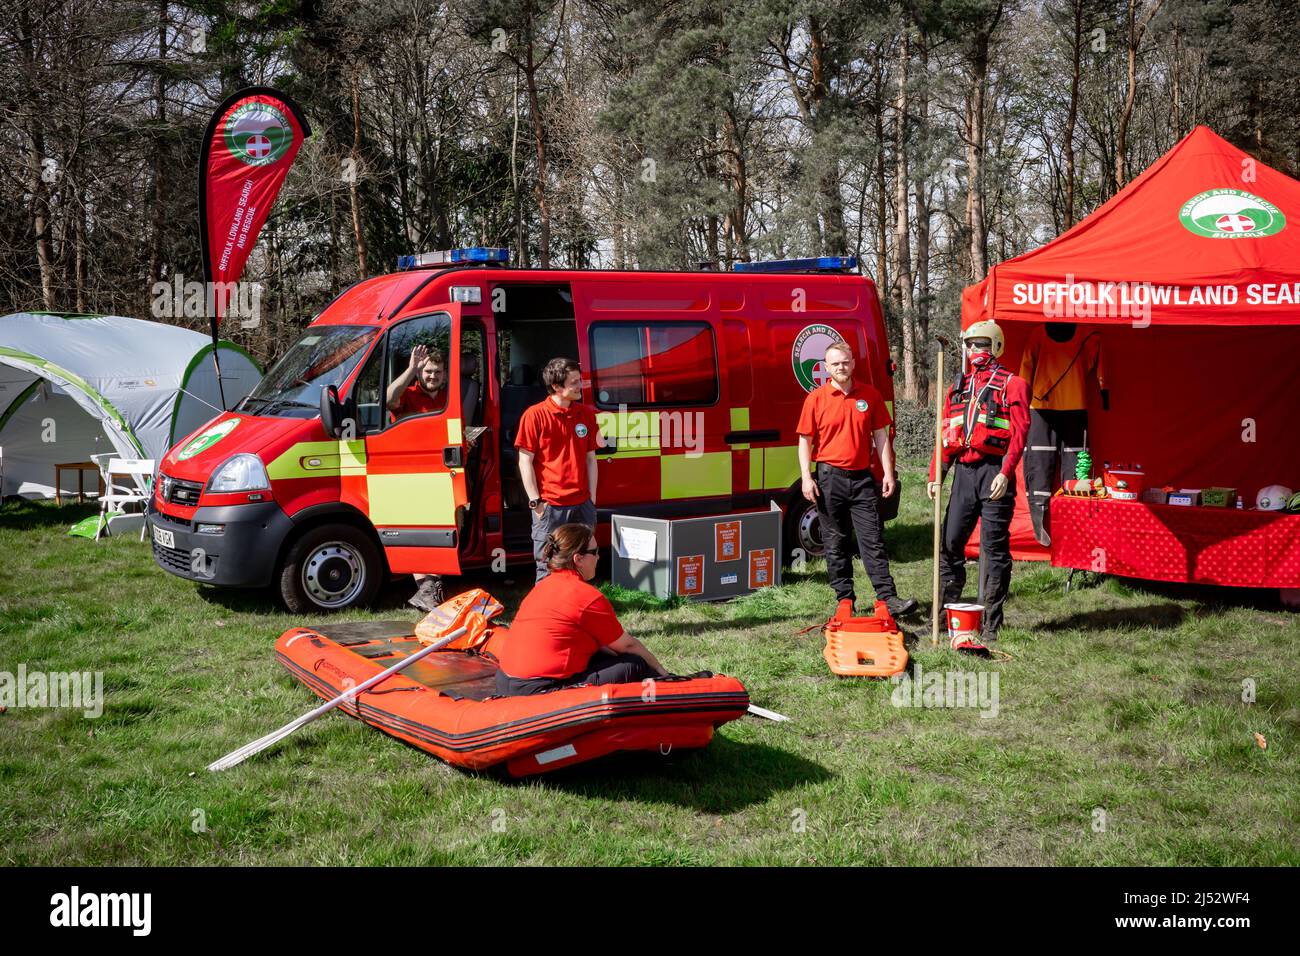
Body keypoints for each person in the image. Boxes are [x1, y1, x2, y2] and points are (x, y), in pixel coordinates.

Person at [927, 320, 1031, 646]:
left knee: (993, 549)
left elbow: (1020, 433)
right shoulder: (958, 387)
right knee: (949, 542)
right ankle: (947, 617)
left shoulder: (1013, 384)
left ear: (995, 346)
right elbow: (946, 435)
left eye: (982, 344)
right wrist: (936, 475)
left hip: (995, 471)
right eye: (971, 344)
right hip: (964, 473)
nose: (975, 351)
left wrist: (1005, 472)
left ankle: (990, 623)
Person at [796, 342, 919, 619]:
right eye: (835, 363)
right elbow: (805, 442)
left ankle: (887, 599)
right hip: (830, 479)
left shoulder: (870, 396)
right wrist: (806, 478)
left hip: (863, 479)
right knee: (835, 541)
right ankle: (845, 599)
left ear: (853, 363)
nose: (841, 367)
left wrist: (888, 473)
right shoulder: (815, 399)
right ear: (826, 368)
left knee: (872, 540)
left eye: (845, 362)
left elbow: (881, 437)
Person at [495, 523, 668, 696]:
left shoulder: (542, 586)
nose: (599, 557)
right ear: (578, 559)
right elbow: (629, 646)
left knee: (603, 654)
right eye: (595, 552)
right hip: (539, 689)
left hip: (505, 680)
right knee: (635, 664)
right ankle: (662, 692)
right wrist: (663, 673)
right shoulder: (586, 596)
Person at [515, 357, 603, 582]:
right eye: (574, 382)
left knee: (583, 562)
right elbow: (524, 461)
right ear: (557, 386)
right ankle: (546, 613)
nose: (580, 386)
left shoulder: (586, 414)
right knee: (547, 566)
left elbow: (591, 459)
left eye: (579, 380)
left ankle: (578, 609)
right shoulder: (534, 415)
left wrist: (591, 499)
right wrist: (536, 502)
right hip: (550, 506)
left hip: (582, 504)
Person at [386, 343, 448, 611]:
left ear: (445, 374)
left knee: (442, 530)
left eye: (437, 372)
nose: (432, 376)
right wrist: (411, 369)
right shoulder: (408, 394)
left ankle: (429, 588)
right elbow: (388, 399)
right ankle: (427, 587)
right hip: (413, 473)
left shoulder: (449, 397)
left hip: (444, 471)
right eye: (428, 371)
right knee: (421, 531)